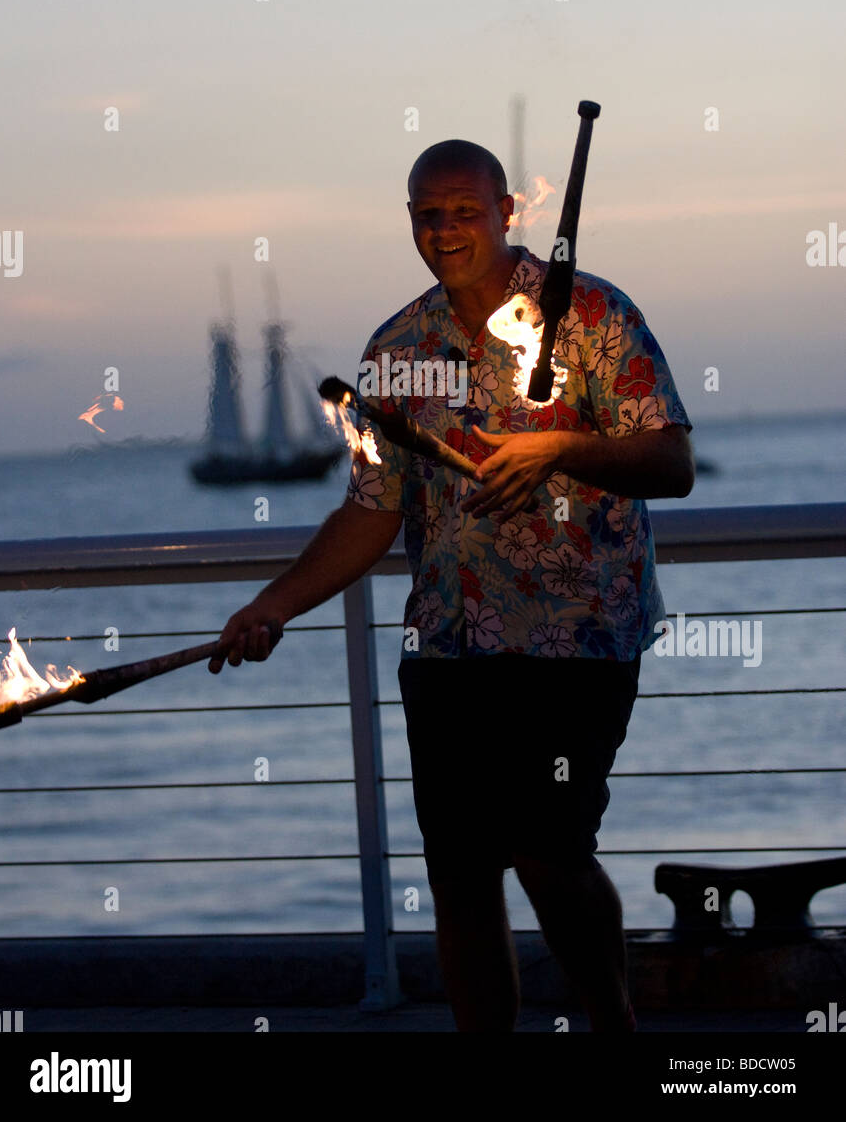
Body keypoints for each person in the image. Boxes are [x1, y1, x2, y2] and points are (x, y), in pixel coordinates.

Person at [211, 139, 695, 1033]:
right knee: (461, 874)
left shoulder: (592, 315)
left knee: (550, 853)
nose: (445, 229)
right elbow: (370, 509)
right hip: (449, 650)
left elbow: (671, 461)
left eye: (465, 210)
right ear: (409, 222)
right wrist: (270, 606)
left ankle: (612, 1023)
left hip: (578, 640)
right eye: (428, 214)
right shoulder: (396, 350)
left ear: (508, 212)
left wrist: (562, 449)